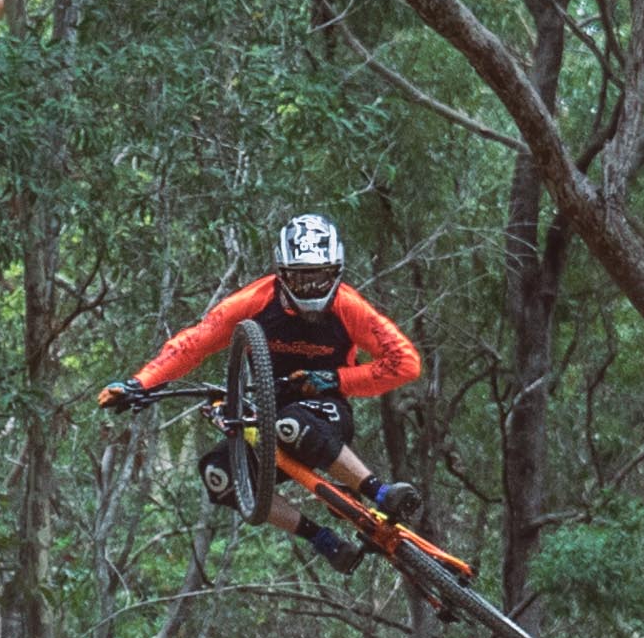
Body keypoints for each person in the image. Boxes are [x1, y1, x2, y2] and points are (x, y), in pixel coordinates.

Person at [96, 214, 425, 572]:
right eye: (301, 276)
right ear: (282, 273)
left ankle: (380, 493)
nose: (312, 287)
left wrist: (335, 379)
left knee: (292, 424)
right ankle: (324, 540)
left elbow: (405, 363)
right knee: (218, 476)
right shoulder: (254, 301)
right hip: (270, 419)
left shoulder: (348, 307)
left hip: (326, 414)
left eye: (321, 276)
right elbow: (193, 344)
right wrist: (140, 383)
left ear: (337, 272)